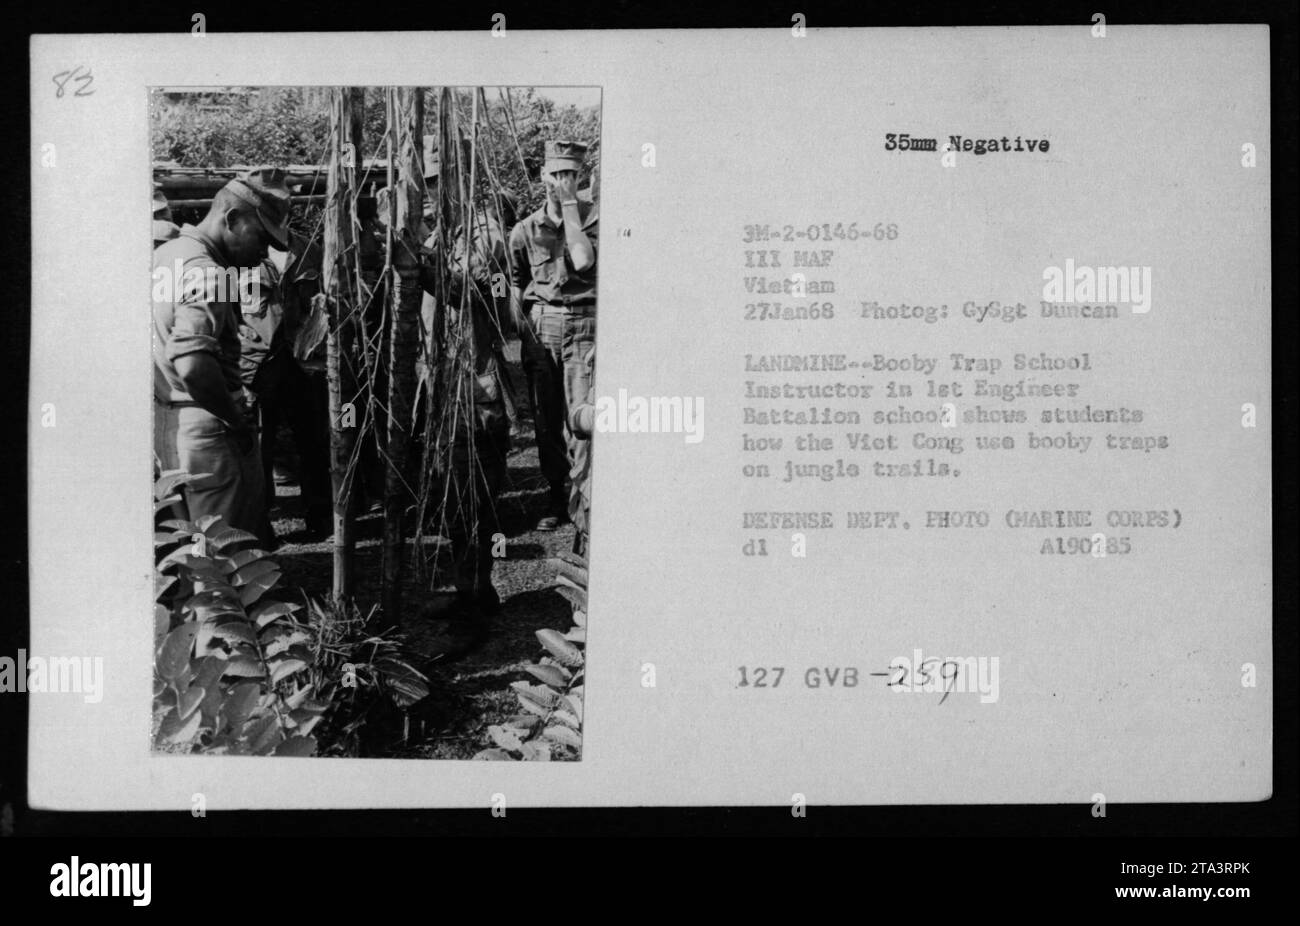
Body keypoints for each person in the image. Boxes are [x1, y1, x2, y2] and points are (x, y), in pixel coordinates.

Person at [152, 166, 292, 538]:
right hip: (210, 430)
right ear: (231, 218)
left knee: (190, 545)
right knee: (223, 551)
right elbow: (194, 365)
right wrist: (235, 420)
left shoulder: (167, 255)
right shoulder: (212, 273)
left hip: (168, 423)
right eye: (261, 237)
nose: (264, 252)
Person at [418, 178, 517, 619]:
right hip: (444, 390)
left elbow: (470, 290)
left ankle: (480, 595)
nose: (428, 194)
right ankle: (467, 589)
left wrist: (418, 259)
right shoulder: (442, 234)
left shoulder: (485, 232)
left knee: (476, 496)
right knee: (453, 494)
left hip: (477, 390)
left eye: (437, 184)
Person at [509, 139, 598, 532]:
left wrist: (572, 209)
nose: (562, 182)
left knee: (582, 417)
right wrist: (518, 330)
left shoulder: (597, 221)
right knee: (546, 418)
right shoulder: (525, 229)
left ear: (581, 177)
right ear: (542, 176)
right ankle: (556, 492)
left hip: (585, 324)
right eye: (555, 174)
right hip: (542, 324)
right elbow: (515, 283)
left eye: (571, 174)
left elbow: (584, 261)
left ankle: (586, 498)